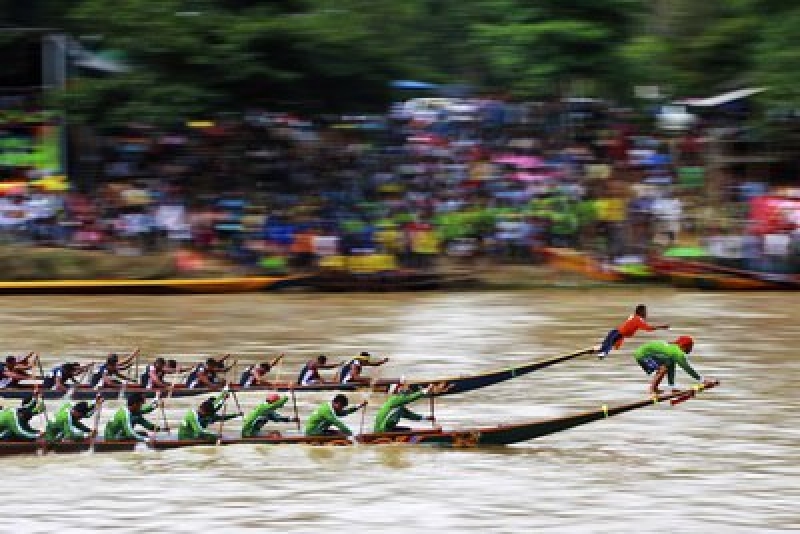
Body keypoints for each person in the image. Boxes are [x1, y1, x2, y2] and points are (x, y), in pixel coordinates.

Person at [634, 336, 714, 394]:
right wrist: (703, 381)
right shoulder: (677, 353)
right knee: (663, 369)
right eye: (690, 347)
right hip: (643, 355)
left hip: (645, 353)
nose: (691, 350)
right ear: (684, 346)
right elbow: (688, 369)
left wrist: (672, 388)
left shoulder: (674, 349)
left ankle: (666, 388)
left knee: (668, 365)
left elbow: (671, 369)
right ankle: (652, 389)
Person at [597, 305, 669, 358]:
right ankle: (602, 353)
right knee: (608, 347)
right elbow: (648, 328)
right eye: (645, 312)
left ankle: (600, 351)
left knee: (606, 345)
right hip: (619, 334)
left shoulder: (633, 316)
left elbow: (629, 324)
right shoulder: (638, 320)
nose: (646, 314)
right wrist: (661, 327)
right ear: (641, 312)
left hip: (615, 331)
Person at [374, 382, 450, 433]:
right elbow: (411, 398)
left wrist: (426, 418)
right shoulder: (395, 399)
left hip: (386, 428)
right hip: (383, 429)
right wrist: (426, 390)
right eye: (402, 387)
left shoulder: (398, 406)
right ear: (398, 390)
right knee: (409, 431)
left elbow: (410, 415)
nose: (406, 387)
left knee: (409, 430)